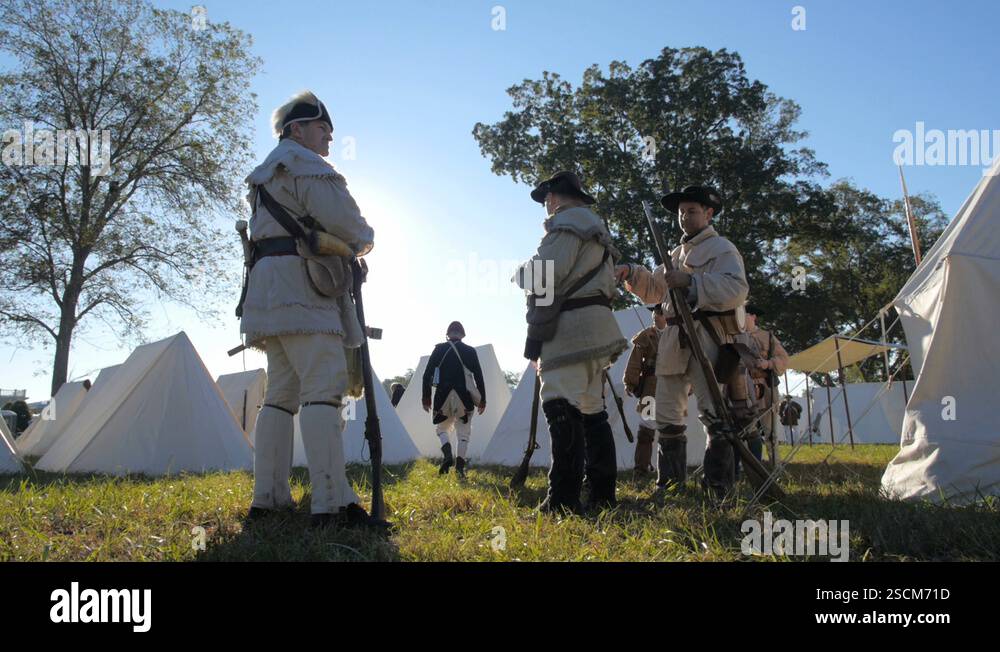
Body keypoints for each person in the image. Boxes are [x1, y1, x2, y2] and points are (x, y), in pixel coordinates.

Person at [239, 90, 378, 529]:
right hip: (303, 287)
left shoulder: (264, 176)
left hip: (266, 291)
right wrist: (366, 238)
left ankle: (268, 498)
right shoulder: (307, 165)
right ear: (297, 130)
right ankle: (331, 503)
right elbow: (349, 225)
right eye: (323, 129)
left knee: (280, 396)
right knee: (323, 387)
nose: (329, 141)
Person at [616, 185, 749, 500]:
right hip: (673, 339)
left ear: (708, 214)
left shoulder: (722, 248)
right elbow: (654, 290)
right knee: (667, 416)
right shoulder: (674, 254)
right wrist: (630, 272)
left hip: (707, 336)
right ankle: (670, 486)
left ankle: (718, 488)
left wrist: (692, 281)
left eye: (691, 211)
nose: (685, 217)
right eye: (681, 212)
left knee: (714, 414)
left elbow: (737, 289)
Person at [512, 171, 628, 514]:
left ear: (554, 197)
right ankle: (602, 494)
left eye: (547, 199)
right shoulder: (595, 230)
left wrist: (522, 273)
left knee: (561, 404)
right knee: (592, 410)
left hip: (571, 332)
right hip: (596, 329)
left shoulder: (567, 225)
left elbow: (546, 274)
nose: (546, 206)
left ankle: (562, 500)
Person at [421, 321, 487, 479]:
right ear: (462, 335)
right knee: (463, 434)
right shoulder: (470, 351)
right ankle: (459, 468)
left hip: (442, 396)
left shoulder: (439, 349)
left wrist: (426, 397)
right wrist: (483, 399)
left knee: (441, 429)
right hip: (464, 397)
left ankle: (447, 455)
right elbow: (478, 375)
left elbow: (427, 375)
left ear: (448, 334)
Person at [623, 305, 665, 477]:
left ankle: (667, 471)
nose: (656, 315)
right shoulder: (646, 336)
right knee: (646, 429)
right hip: (651, 389)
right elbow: (634, 362)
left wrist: (688, 387)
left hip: (671, 389)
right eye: (654, 312)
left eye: (660, 313)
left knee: (670, 429)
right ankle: (641, 468)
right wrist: (630, 382)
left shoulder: (677, 335)